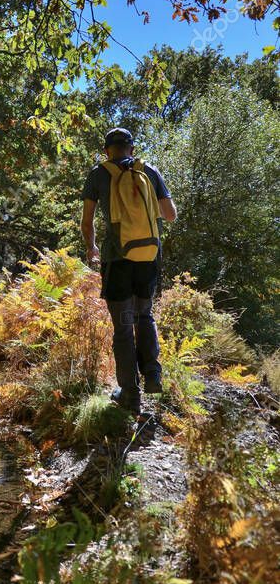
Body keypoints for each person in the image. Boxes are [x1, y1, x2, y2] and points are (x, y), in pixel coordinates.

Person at [81, 127, 177, 414]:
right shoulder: (149, 171)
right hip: (148, 256)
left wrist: (91, 247)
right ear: (131, 149)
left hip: (117, 259)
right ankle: (153, 375)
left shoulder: (98, 174)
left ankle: (130, 395)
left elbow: (87, 221)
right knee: (144, 315)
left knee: (123, 326)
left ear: (106, 150)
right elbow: (170, 215)